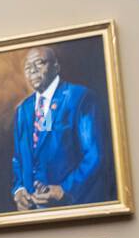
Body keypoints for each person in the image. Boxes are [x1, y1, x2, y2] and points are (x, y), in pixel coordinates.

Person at [9, 45, 111, 211]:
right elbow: (18, 158)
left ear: (56, 67)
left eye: (39, 63)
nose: (32, 70)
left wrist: (64, 190)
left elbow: (95, 156)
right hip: (31, 214)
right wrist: (19, 190)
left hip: (71, 208)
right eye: (28, 67)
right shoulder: (23, 110)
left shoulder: (80, 97)